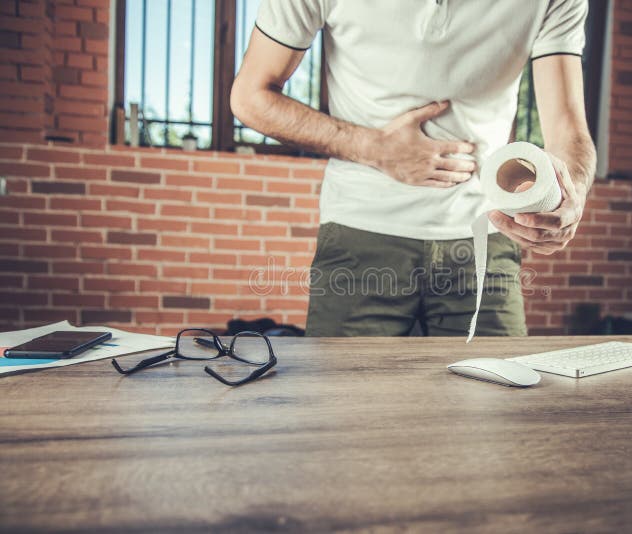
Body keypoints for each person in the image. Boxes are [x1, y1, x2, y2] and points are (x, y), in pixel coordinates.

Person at [231, 0, 597, 337]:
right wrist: (375, 149)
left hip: (484, 238)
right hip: (362, 232)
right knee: (344, 405)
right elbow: (251, 96)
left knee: (498, 405)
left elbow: (568, 124)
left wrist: (572, 192)